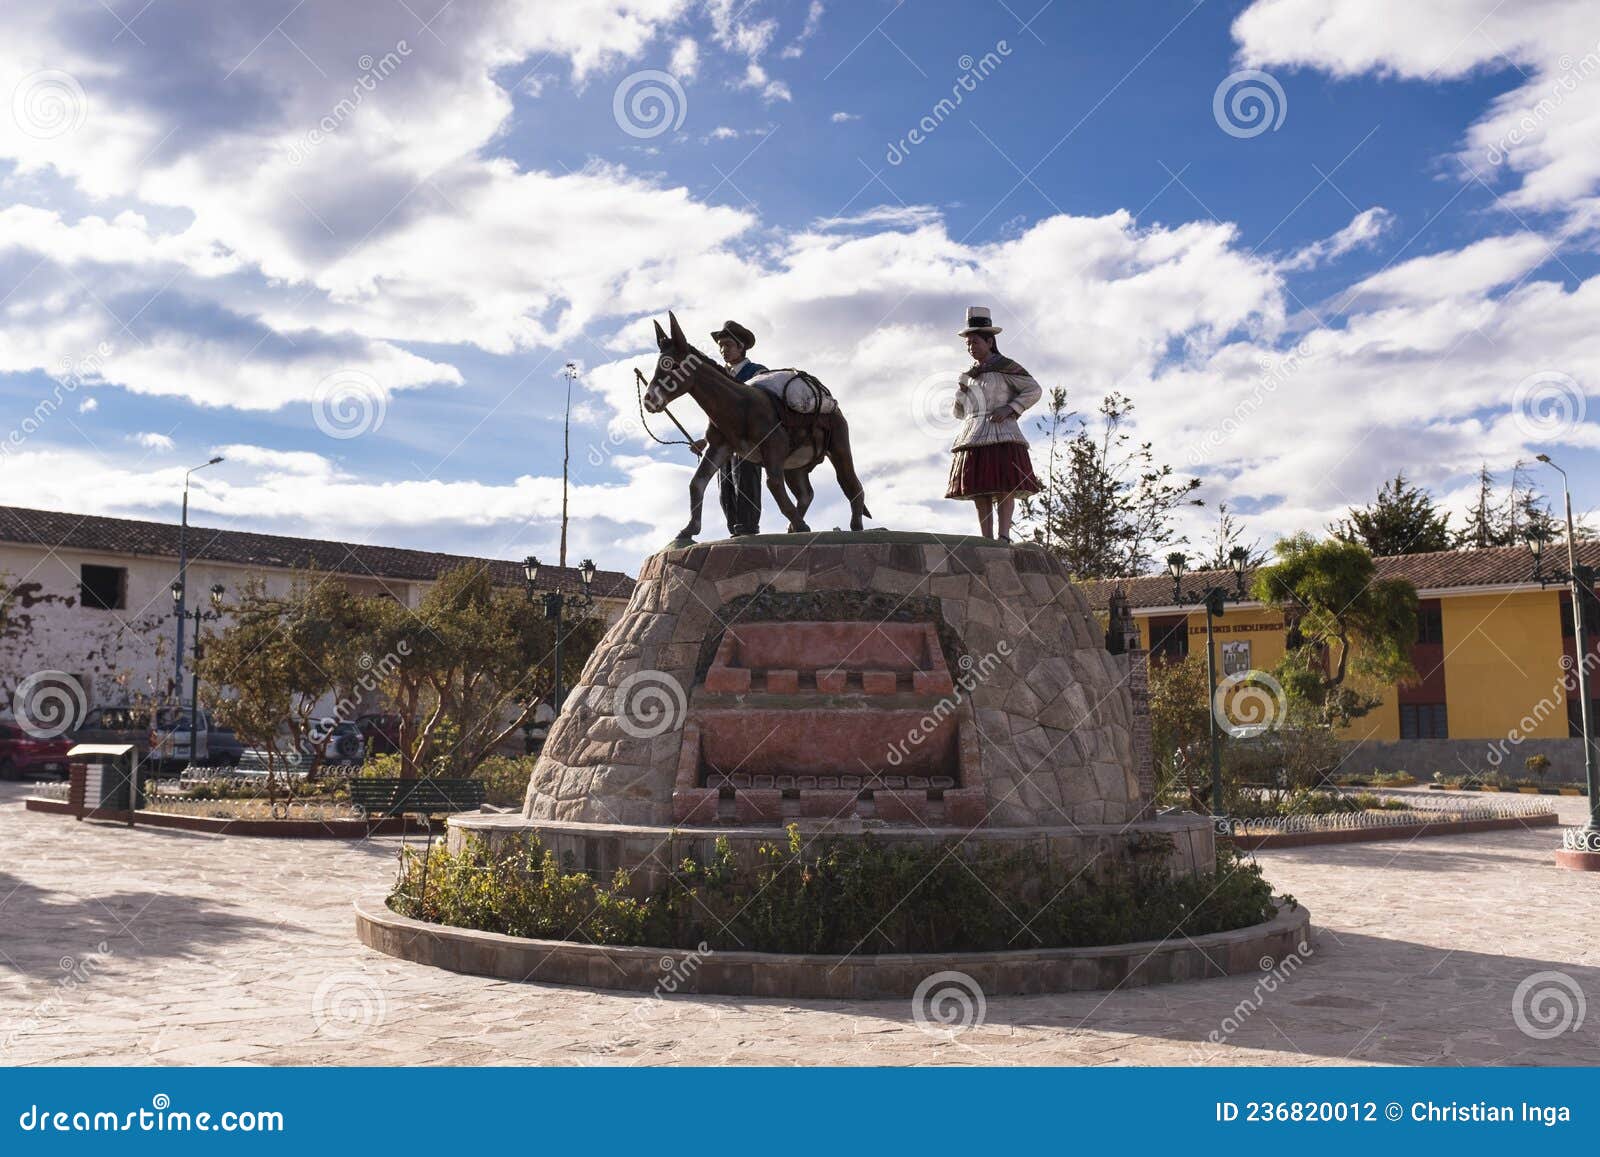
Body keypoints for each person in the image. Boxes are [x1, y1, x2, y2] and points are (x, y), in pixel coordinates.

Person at [944, 306, 1042, 542]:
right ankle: (986, 538)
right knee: (980, 489)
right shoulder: (968, 376)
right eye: (968, 344)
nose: (971, 348)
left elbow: (1034, 390)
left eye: (975, 342)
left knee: (1004, 485)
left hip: (1002, 431)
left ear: (989, 342)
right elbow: (958, 413)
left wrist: (1010, 408)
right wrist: (961, 393)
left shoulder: (1007, 367)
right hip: (973, 435)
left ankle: (1003, 535)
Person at [691, 319, 768, 537]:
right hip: (724, 445)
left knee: (745, 482)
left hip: (748, 441)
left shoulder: (757, 372)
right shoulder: (719, 376)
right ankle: (734, 529)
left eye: (727, 346)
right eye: (720, 347)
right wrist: (704, 441)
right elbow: (717, 417)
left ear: (741, 347)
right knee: (725, 491)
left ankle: (749, 529)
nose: (723, 351)